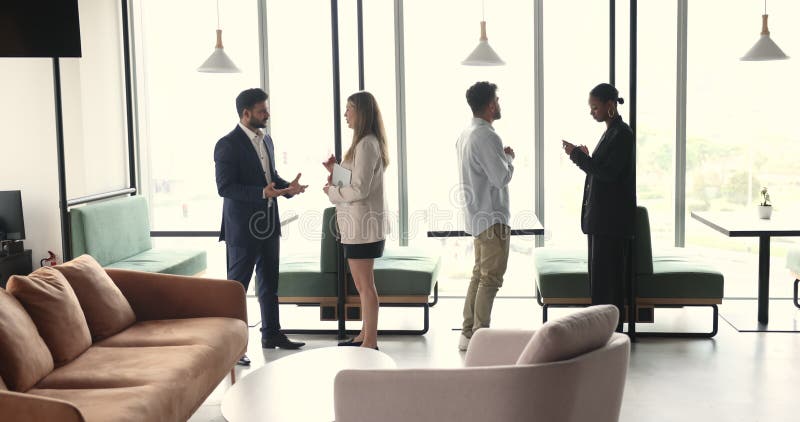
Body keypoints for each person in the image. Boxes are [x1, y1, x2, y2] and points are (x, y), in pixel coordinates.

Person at [214, 88, 309, 366]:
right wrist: (262, 193)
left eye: (266, 109)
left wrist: (288, 188)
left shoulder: (266, 140)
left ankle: (271, 335)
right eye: (261, 110)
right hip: (243, 229)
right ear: (245, 113)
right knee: (236, 289)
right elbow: (225, 187)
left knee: (269, 284)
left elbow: (271, 177)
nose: (267, 114)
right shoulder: (227, 144)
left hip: (268, 224)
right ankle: (234, 347)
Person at [561, 82, 635, 332]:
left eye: (595, 107)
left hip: (611, 222)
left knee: (608, 282)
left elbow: (608, 174)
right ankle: (603, 332)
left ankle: (610, 333)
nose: (592, 112)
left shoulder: (622, 134)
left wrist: (577, 156)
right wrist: (587, 157)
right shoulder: (612, 132)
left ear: (609, 106)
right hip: (603, 220)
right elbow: (604, 169)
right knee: (602, 280)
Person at [323, 91, 389, 350]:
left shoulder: (367, 144)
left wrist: (332, 192)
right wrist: (335, 172)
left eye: (349, 109)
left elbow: (360, 189)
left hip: (362, 227)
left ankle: (370, 341)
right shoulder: (363, 144)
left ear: (360, 112)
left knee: (364, 286)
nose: (345, 114)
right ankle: (365, 334)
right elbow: (353, 181)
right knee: (363, 285)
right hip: (356, 227)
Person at [456, 81, 515, 351]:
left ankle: (468, 334)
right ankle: (480, 337)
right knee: (490, 279)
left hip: (476, 216)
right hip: (492, 218)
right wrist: (509, 159)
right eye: (498, 100)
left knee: (479, 276)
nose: (499, 104)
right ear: (491, 104)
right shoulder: (488, 136)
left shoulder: (465, 134)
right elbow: (500, 176)